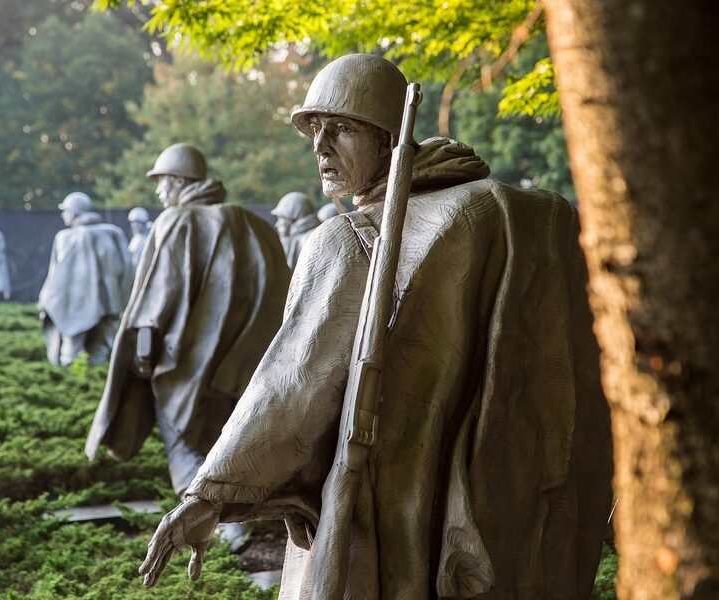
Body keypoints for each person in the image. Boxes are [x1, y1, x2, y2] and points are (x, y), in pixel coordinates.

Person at [137, 54, 613, 599]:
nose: (320, 147)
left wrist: (208, 495)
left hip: (385, 526)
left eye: (340, 129)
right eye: (314, 131)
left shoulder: (346, 241)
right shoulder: (509, 217)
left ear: (390, 139)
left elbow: (292, 387)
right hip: (515, 522)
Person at [84, 144, 290, 540]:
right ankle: (240, 517)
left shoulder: (175, 221)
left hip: (184, 365)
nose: (159, 192)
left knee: (182, 445)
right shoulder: (252, 223)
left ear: (179, 182)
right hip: (242, 365)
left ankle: (219, 526)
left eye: (162, 182)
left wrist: (143, 351)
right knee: (227, 440)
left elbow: (159, 294)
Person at [38, 191, 132, 366]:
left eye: (65, 210)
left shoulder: (64, 238)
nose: (63, 214)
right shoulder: (113, 233)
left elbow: (55, 276)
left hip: (75, 308)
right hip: (108, 306)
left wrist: (46, 300)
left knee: (70, 356)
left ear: (73, 212)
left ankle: (73, 386)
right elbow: (127, 269)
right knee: (102, 354)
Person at [271, 191, 320, 270]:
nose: (277, 224)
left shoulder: (310, 239)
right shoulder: (293, 239)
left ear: (293, 216)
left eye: (281, 218)